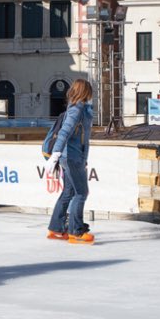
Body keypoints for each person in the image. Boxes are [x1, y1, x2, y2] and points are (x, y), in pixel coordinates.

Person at [45, 78, 96, 244]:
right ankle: (76, 231)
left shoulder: (77, 109)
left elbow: (80, 138)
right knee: (81, 193)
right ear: (85, 92)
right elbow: (64, 132)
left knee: (68, 192)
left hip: (74, 157)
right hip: (72, 157)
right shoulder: (77, 110)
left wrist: (83, 158)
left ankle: (56, 228)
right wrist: (55, 154)